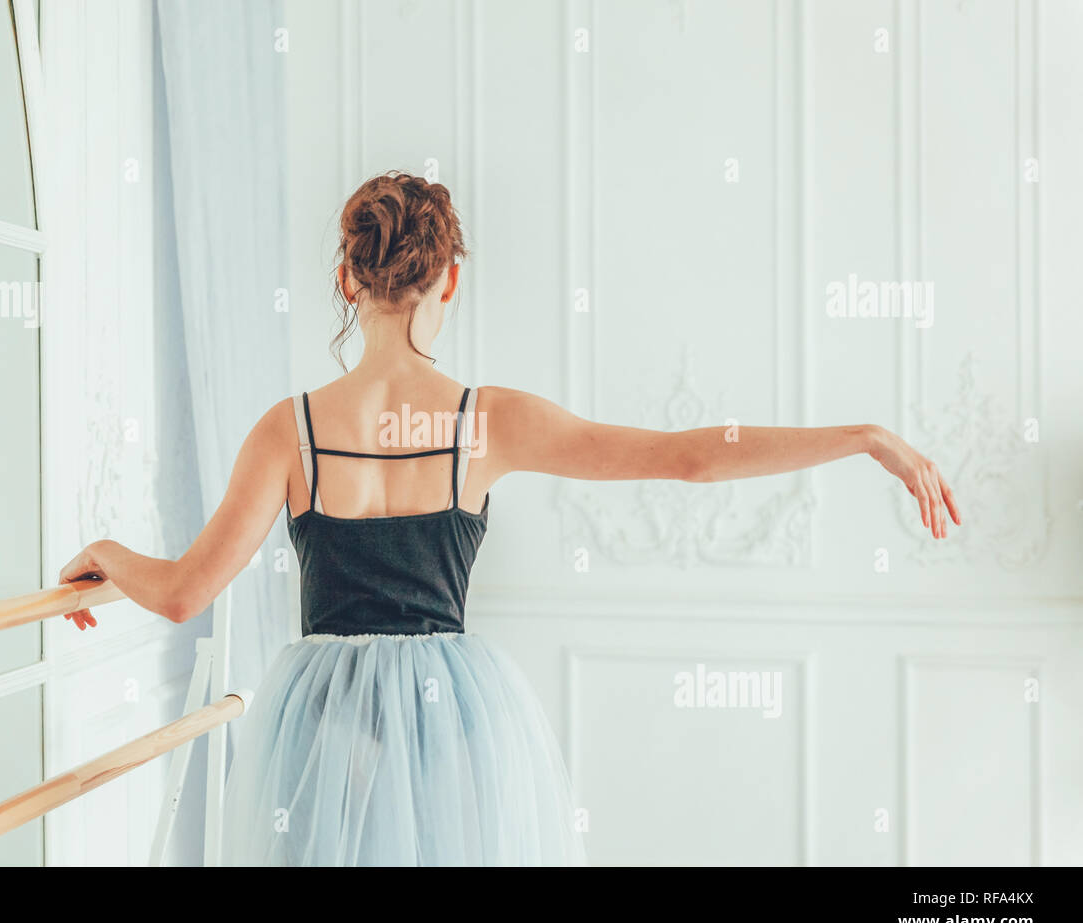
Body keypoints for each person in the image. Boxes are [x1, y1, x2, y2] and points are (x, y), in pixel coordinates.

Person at [58, 171, 960, 865]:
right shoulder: (483, 424)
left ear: (345, 280)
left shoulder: (287, 430)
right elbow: (686, 456)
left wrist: (106, 550)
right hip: (453, 716)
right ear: (448, 280)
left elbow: (181, 594)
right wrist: (862, 436)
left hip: (323, 727)